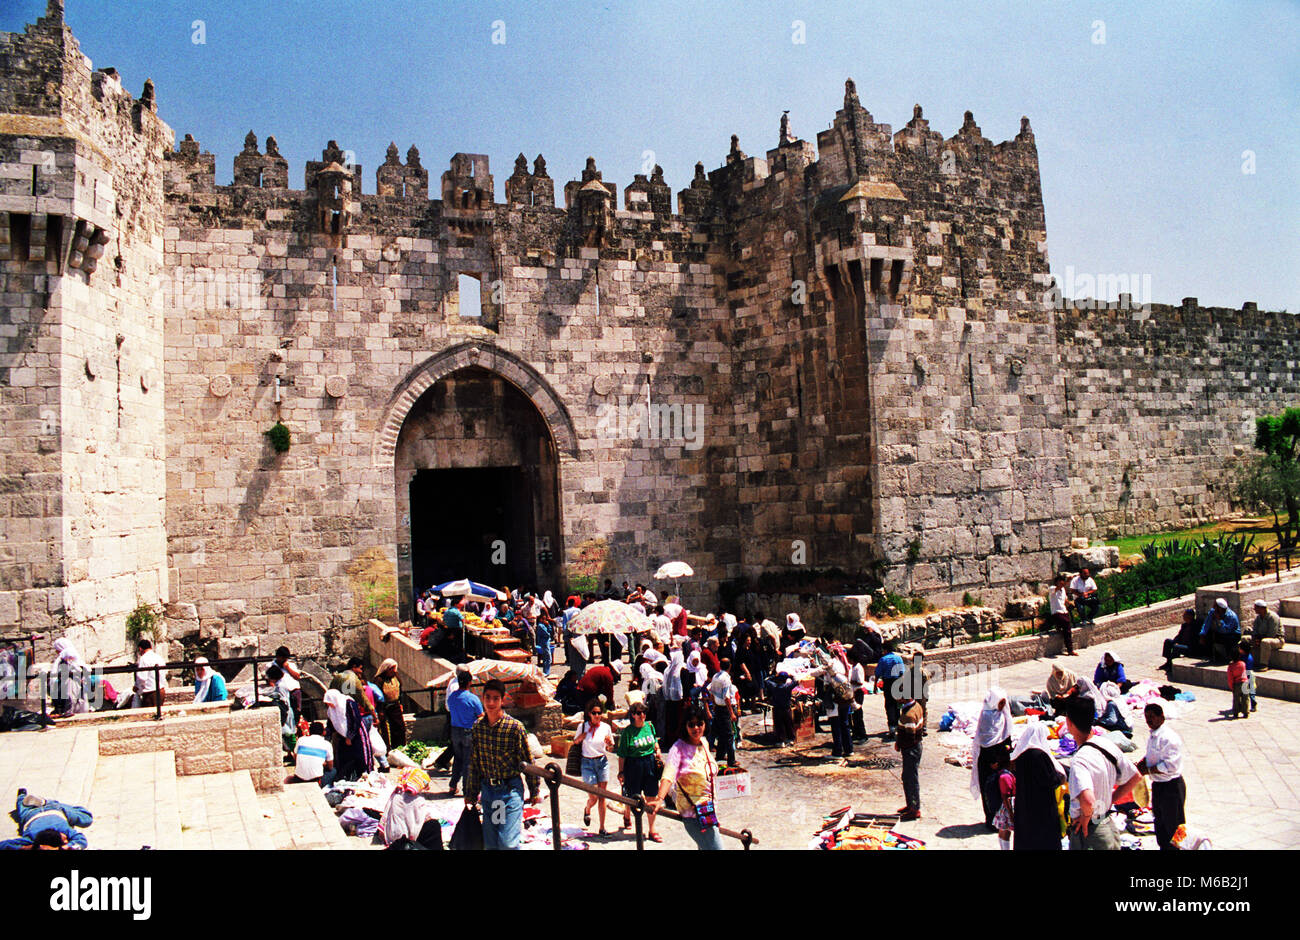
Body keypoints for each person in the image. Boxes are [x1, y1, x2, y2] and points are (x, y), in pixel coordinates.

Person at [464, 679, 541, 850]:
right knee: (492, 844)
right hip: (489, 793)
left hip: (509, 791)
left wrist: (534, 790)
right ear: (482, 698)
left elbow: (527, 761)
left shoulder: (514, 728)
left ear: (502, 700)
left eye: (495, 698)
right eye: (488, 698)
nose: (491, 703)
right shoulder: (478, 728)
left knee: (507, 843)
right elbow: (475, 764)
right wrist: (471, 793)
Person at [1064, 697, 1139, 850]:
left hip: (1091, 832)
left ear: (1069, 723)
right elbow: (1135, 777)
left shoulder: (1080, 760)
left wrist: (1085, 817)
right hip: (1107, 824)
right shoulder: (1106, 745)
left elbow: (1089, 802)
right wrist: (1110, 800)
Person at [649, 705, 723, 850]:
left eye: (700, 723)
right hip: (692, 814)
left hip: (707, 811)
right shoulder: (678, 749)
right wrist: (659, 799)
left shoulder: (704, 742)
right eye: (691, 724)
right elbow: (668, 775)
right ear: (685, 726)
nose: (696, 728)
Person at [1136, 701, 1185, 850]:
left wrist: (1148, 771)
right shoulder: (1153, 736)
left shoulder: (1169, 738)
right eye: (1146, 717)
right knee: (1160, 823)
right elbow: (1153, 756)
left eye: (1152, 716)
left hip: (1172, 787)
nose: (1149, 720)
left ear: (1161, 718)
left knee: (1175, 826)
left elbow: (1170, 766)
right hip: (1158, 786)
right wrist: (1143, 763)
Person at [1011, 723, 1066, 850]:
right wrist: (1061, 777)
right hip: (1041, 808)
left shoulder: (1021, 755)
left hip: (1024, 805)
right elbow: (1050, 780)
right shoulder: (1039, 756)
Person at [616, 701, 663, 840]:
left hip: (649, 763)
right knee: (633, 796)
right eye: (638, 713)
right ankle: (626, 813)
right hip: (633, 765)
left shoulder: (649, 726)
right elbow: (622, 755)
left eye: (643, 712)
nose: (641, 715)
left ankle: (652, 830)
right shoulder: (627, 732)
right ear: (632, 715)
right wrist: (621, 772)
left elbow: (654, 739)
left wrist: (658, 749)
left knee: (651, 797)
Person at [971, 688, 1014, 829]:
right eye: (1000, 703)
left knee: (1001, 790)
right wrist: (992, 761)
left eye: (1003, 703)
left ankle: (1002, 820)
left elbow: (1007, 737)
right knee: (988, 791)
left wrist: (1005, 757)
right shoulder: (987, 716)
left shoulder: (1004, 714)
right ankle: (990, 820)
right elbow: (985, 740)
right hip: (987, 761)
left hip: (1001, 760)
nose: (1002, 706)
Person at [573, 698, 617, 835]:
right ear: (589, 714)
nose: (597, 716)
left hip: (602, 762)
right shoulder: (583, 727)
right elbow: (575, 742)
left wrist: (609, 744)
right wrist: (581, 737)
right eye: (594, 713)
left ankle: (602, 827)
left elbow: (610, 748)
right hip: (587, 764)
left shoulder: (606, 728)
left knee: (602, 796)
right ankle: (587, 808)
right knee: (594, 797)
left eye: (599, 713)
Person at [0, 789, 92, 850]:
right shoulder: (31, 838)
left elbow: (81, 841)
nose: (66, 840)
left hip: (54, 811)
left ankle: (43, 802)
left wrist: (28, 848)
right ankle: (24, 797)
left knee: (87, 818)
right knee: (23, 809)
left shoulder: (63, 831)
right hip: (34, 813)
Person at [447, 667, 483, 796]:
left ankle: (452, 786)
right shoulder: (473, 699)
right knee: (468, 762)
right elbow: (481, 715)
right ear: (469, 683)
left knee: (458, 759)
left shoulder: (452, 697)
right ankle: (467, 789)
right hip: (468, 732)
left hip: (455, 731)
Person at [324, 688, 372, 780]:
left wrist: (350, 736)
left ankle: (366, 774)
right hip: (342, 735)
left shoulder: (348, 703)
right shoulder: (331, 710)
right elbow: (330, 725)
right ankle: (346, 777)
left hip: (357, 733)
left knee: (361, 756)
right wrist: (326, 739)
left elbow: (355, 719)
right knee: (344, 758)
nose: (329, 704)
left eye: (329, 702)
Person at [895, 693, 924, 821]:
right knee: (907, 776)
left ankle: (914, 809)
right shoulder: (916, 705)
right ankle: (910, 805)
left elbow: (910, 737)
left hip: (911, 749)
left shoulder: (909, 716)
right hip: (914, 747)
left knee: (910, 778)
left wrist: (900, 744)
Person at [707, 658, 738, 766]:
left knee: (720, 732)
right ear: (729, 666)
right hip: (724, 709)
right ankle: (731, 760)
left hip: (717, 707)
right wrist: (732, 713)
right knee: (729, 735)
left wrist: (714, 704)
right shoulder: (726, 679)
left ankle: (720, 754)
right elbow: (726, 697)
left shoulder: (715, 676)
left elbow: (710, 691)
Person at [50, 639, 91, 716]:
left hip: (71, 681)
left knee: (72, 696)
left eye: (57, 650)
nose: (56, 652)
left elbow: (75, 666)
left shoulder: (67, 653)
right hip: (69, 681)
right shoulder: (64, 656)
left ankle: (69, 711)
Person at [874, 643, 905, 737]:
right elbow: (902, 672)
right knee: (898, 704)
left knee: (889, 704)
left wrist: (874, 686)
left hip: (888, 683)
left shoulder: (883, 659)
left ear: (885, 650)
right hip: (897, 682)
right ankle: (899, 725)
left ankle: (892, 726)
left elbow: (877, 673)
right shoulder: (898, 658)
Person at [292, 721, 336, 785]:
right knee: (333, 771)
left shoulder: (301, 740)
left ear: (309, 731)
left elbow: (296, 757)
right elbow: (330, 766)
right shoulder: (327, 744)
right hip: (316, 780)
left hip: (298, 778)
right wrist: (323, 764)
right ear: (324, 732)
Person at [1246, 599, 1284, 671]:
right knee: (1245, 639)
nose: (1254, 609)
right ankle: (1245, 660)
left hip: (1277, 640)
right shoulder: (1258, 618)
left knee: (1265, 642)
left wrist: (1259, 640)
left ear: (1262, 608)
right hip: (1260, 638)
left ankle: (1264, 664)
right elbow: (1255, 630)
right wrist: (1255, 638)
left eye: (1256, 607)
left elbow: (1272, 634)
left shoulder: (1273, 617)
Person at [375, 658, 405, 749]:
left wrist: (400, 703)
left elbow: (400, 690)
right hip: (385, 707)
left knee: (400, 727)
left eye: (394, 668)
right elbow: (377, 696)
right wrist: (380, 710)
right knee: (386, 730)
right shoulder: (379, 680)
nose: (393, 671)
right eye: (391, 669)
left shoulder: (396, 677)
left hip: (395, 705)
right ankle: (388, 749)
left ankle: (400, 747)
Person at [1202, 598, 1241, 663]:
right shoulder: (1212, 612)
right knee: (1208, 637)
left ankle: (1228, 657)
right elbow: (1206, 623)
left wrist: (1219, 620)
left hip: (1232, 633)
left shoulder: (1231, 616)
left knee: (1227, 639)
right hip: (1220, 632)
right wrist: (1202, 634)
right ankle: (1211, 656)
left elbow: (1226, 630)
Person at [764, 669, 797, 745]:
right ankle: (790, 739)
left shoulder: (774, 686)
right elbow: (796, 681)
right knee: (789, 724)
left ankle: (781, 741)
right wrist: (790, 676)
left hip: (777, 709)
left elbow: (766, 680)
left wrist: (774, 676)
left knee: (779, 726)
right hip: (786, 709)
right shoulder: (787, 687)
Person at [134, 638, 167, 709]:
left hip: (150, 693)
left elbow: (142, 677)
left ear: (140, 649)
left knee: (149, 715)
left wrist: (137, 687)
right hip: (161, 690)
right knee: (159, 713)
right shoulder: (159, 657)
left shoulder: (144, 658)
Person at [1048, 575, 1076, 655]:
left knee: (1067, 630)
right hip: (1057, 612)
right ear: (1057, 582)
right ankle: (1070, 650)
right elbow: (1058, 587)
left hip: (1064, 611)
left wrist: (1070, 603)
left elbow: (1064, 599)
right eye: (1061, 581)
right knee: (1067, 626)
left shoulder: (1063, 589)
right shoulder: (1052, 588)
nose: (1063, 583)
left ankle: (1070, 649)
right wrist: (1068, 581)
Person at [848, 650, 869, 743]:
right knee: (854, 715)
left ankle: (863, 735)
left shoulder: (858, 668)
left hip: (858, 692)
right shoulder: (853, 667)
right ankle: (856, 733)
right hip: (853, 692)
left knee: (858, 714)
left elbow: (860, 681)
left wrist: (851, 681)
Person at [1227, 647, 1249, 719]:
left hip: (1236, 684)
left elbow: (1230, 678)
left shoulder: (1230, 667)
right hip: (1245, 683)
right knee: (1245, 698)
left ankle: (1236, 713)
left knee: (1236, 699)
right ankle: (1245, 712)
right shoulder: (1243, 664)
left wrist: (1231, 686)